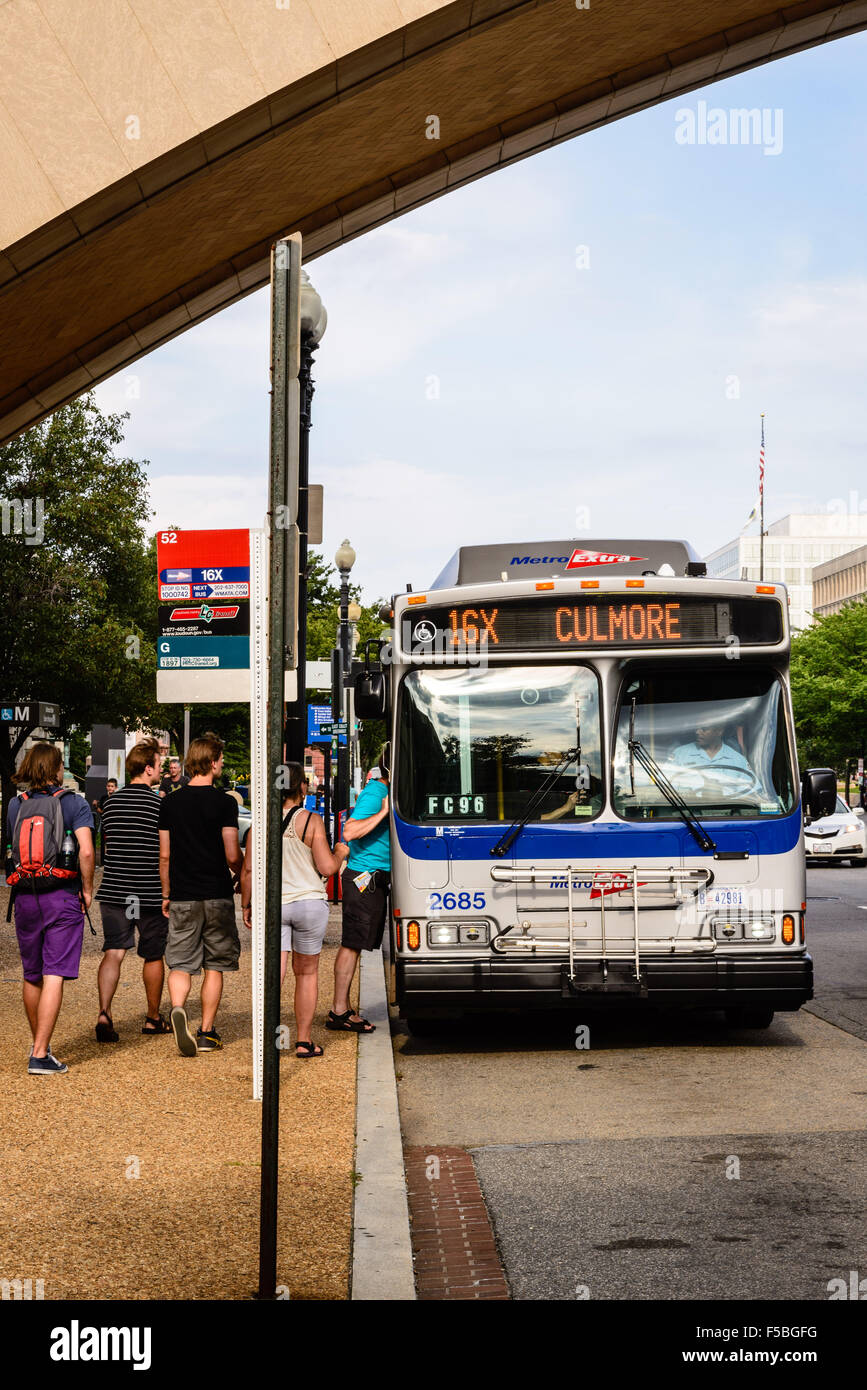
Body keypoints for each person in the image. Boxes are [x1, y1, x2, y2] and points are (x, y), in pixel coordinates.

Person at [239, 763, 348, 1058]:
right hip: (309, 904)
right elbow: (327, 867)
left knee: (276, 971)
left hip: (274, 904)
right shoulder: (310, 820)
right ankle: (302, 1041)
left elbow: (248, 870)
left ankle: (268, 1036)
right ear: (301, 787)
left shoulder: (259, 824)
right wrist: (341, 852)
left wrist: (246, 904)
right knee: (307, 973)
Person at [6, 741, 94, 1074]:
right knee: (53, 972)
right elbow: (86, 852)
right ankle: (40, 1054)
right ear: (57, 768)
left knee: (31, 975)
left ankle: (40, 1044)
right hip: (61, 894)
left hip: (25, 896)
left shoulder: (16, 805)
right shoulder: (74, 804)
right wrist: (86, 890)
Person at [158, 734, 243, 1056]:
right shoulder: (225, 803)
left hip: (182, 893)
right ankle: (207, 1032)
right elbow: (232, 853)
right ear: (211, 761)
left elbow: (164, 855)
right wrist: (242, 872)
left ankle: (178, 1007)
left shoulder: (170, 803)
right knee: (214, 964)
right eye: (220, 759)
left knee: (180, 961)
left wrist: (167, 893)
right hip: (216, 893)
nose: (222, 764)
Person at [94, 737, 170, 1042]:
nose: (162, 771)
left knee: (114, 951)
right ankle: (152, 1017)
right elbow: (165, 851)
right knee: (153, 955)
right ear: (148, 768)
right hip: (148, 890)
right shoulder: (159, 805)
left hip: (115, 888)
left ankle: (104, 1012)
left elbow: (107, 845)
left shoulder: (111, 804)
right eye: (159, 766)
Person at [327, 744, 391, 1035]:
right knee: (352, 943)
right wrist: (384, 812)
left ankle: (343, 1009)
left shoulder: (383, 791)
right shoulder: (376, 793)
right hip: (363, 877)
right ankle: (339, 1011)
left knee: (357, 943)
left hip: (375, 877)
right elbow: (349, 831)